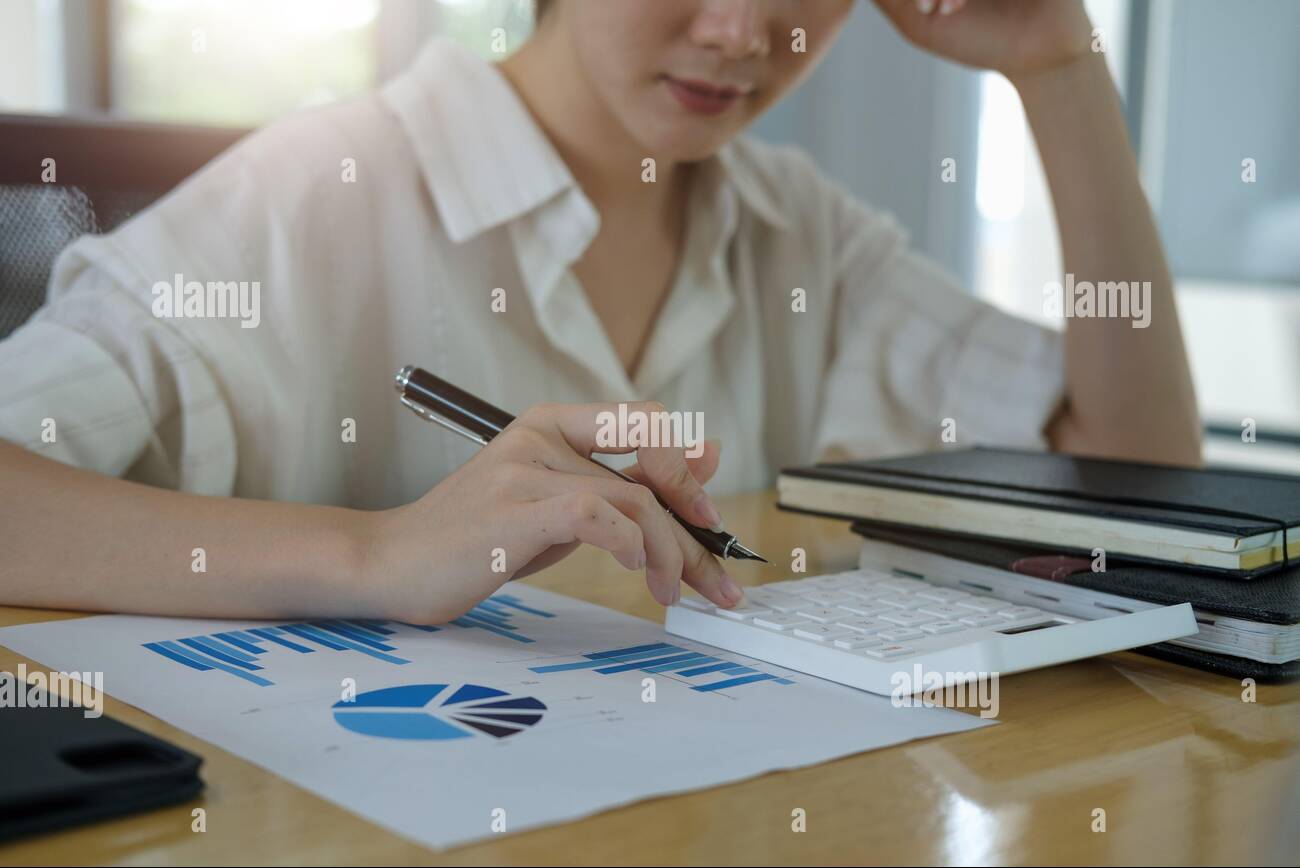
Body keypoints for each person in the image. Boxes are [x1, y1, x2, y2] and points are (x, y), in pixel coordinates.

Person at [0, 0, 1201, 624]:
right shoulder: (317, 189)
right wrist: (373, 554)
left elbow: (1144, 482)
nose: (738, 31)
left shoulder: (802, 232)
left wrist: (1059, 62)